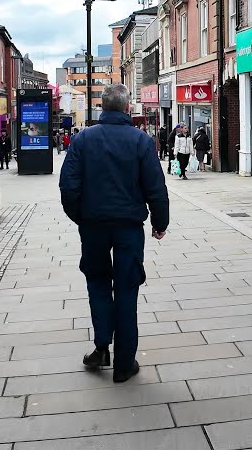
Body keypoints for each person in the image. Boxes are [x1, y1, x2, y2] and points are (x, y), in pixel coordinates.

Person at [59, 84, 169, 383]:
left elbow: (68, 185)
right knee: (126, 288)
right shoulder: (140, 140)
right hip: (128, 227)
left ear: (102, 107)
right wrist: (161, 223)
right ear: (126, 106)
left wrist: (80, 217)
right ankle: (124, 363)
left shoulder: (83, 139)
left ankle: (101, 347)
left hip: (93, 226)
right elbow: (155, 187)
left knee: (97, 283)